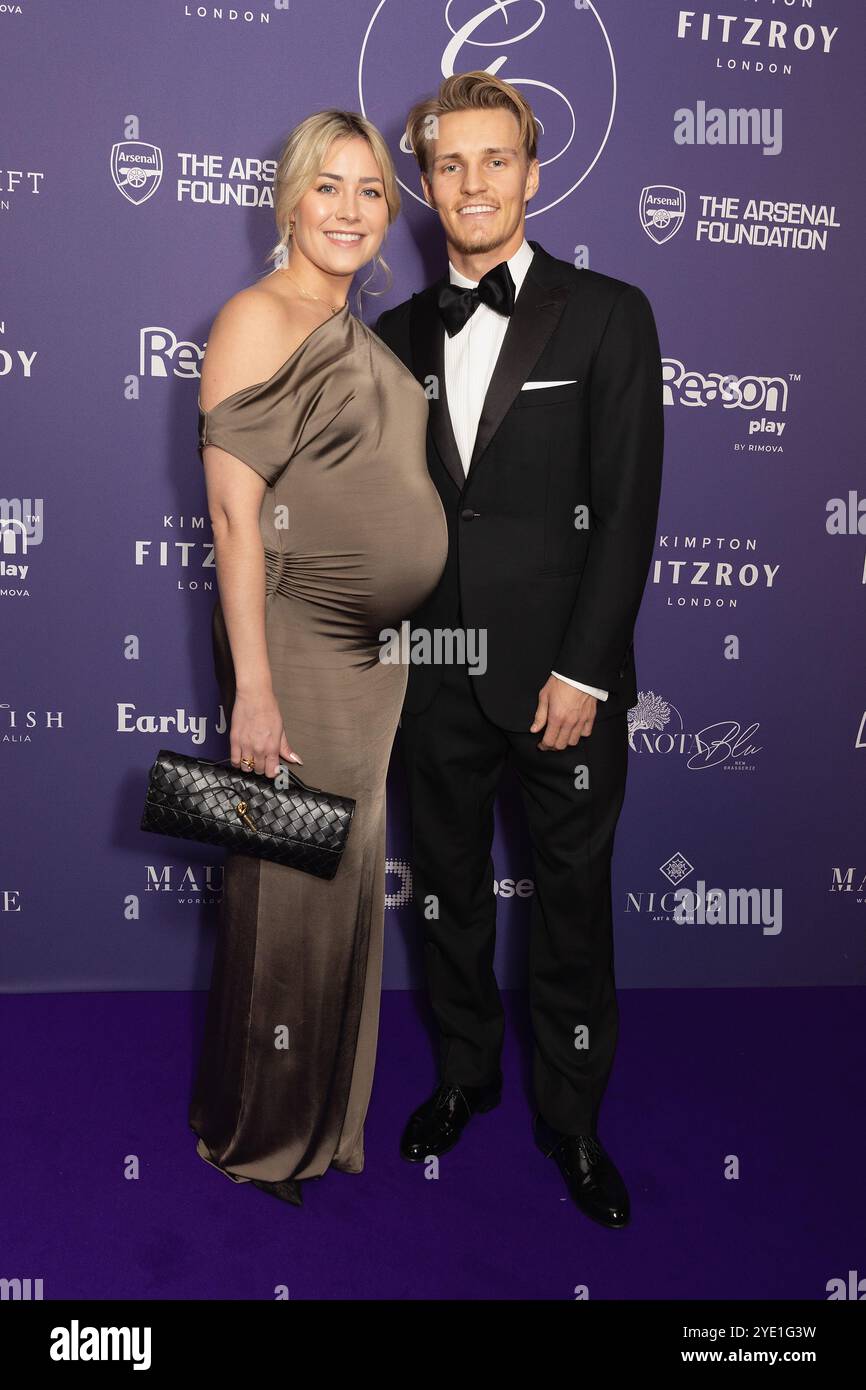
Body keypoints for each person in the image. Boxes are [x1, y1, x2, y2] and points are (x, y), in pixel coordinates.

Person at [375, 72, 663, 1228]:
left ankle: (574, 1119)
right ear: (426, 181)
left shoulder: (608, 313)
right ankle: (463, 1077)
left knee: (573, 905)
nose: (472, 183)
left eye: (496, 160)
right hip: (436, 675)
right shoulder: (394, 335)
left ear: (532, 175)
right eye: (450, 164)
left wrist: (584, 670)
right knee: (445, 896)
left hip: (562, 682)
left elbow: (627, 504)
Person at [188, 110, 448, 1207]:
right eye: (327, 188)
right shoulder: (259, 315)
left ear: (388, 215)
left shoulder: (361, 331)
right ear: (288, 204)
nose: (349, 209)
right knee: (287, 875)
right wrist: (253, 688)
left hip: (369, 653)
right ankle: (258, 1127)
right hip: (292, 643)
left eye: (370, 191)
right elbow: (234, 522)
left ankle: (318, 1114)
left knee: (336, 878)